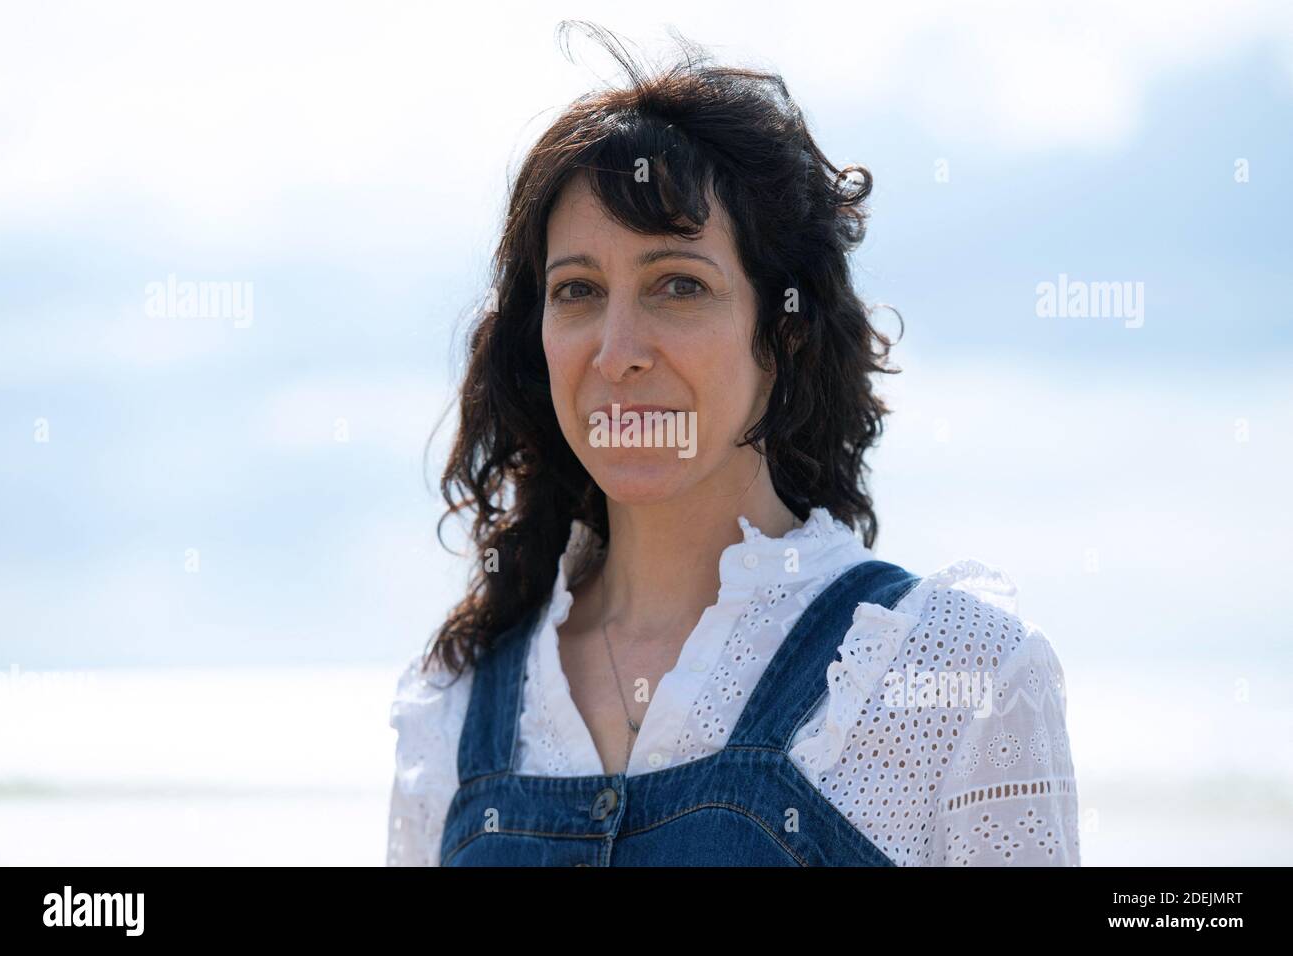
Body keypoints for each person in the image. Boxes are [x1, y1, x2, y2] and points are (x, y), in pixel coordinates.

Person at [387, 21, 1080, 866]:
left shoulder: (956, 674)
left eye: (679, 284)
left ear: (784, 332)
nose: (617, 350)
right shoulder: (454, 706)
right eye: (577, 291)